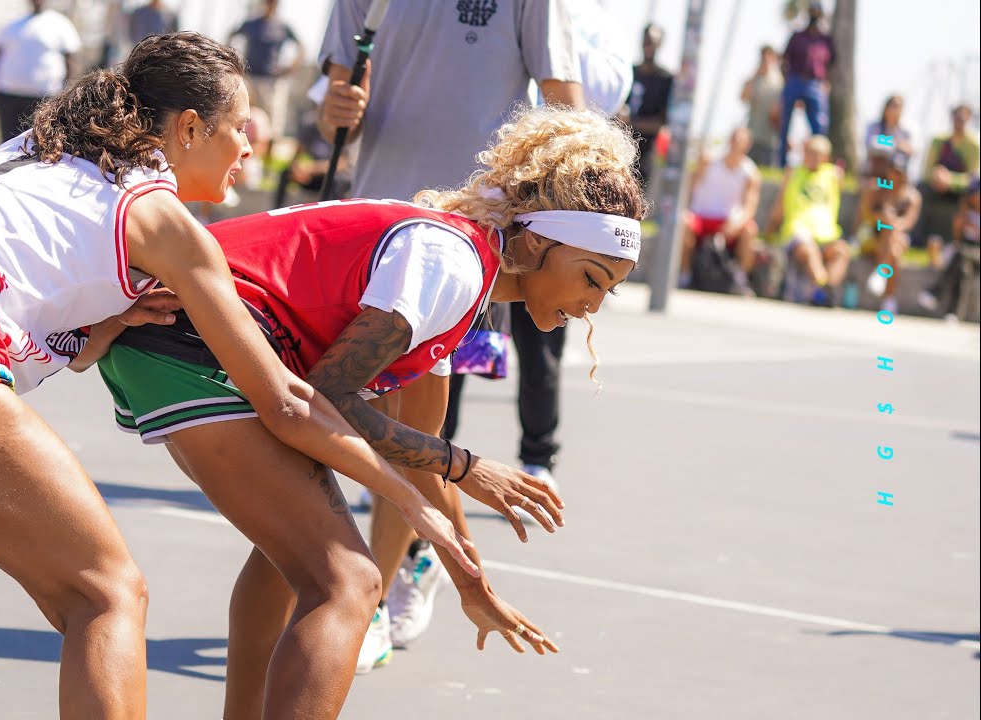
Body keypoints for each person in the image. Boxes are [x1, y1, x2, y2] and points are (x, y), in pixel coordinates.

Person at [0, 33, 474, 720]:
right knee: (105, 595)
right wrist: (430, 483)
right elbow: (282, 400)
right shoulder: (166, 224)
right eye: (239, 126)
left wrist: (102, 326)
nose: (250, 144)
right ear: (189, 129)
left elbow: (25, 292)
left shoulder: (38, 150)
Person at [94, 104, 641, 718]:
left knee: (289, 561)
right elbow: (328, 397)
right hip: (192, 341)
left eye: (608, 289)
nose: (592, 304)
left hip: (184, 340)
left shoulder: (464, 275)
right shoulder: (451, 265)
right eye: (591, 278)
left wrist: (470, 579)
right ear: (538, 240)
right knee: (348, 583)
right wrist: (466, 466)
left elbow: (418, 455)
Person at [316, 0, 586, 672]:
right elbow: (335, 101)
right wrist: (335, 113)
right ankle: (384, 577)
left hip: (473, 243)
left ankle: (373, 601)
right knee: (366, 433)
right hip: (373, 234)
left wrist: (581, 225)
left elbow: (565, 107)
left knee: (408, 436)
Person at [767, 134, 847, 306]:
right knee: (810, 252)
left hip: (826, 235)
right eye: (810, 152)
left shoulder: (832, 176)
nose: (814, 157)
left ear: (826, 158)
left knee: (841, 251)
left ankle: (827, 291)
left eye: (819, 154)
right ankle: (824, 289)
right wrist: (770, 230)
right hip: (798, 233)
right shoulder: (793, 173)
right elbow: (779, 206)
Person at [680, 127, 762, 294]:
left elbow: (749, 207)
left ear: (748, 145)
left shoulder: (751, 173)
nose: (736, 145)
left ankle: (741, 278)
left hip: (728, 222)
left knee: (750, 230)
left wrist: (736, 223)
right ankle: (685, 274)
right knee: (683, 223)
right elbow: (689, 188)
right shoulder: (708, 160)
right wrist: (685, 210)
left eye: (741, 141)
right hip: (701, 217)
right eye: (734, 140)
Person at [0, 0, 81, 142]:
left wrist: (68, 94)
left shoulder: (60, 24)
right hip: (9, 94)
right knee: (7, 141)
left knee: (36, 142)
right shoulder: (13, 25)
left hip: (43, 98)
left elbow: (71, 61)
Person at [856, 150, 920, 314]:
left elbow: (908, 222)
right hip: (871, 237)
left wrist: (891, 222)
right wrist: (882, 219)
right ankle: (889, 298)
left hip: (894, 237)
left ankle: (881, 274)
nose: (894, 174)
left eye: (899, 171)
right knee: (895, 250)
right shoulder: (877, 188)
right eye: (892, 169)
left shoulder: (911, 196)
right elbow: (866, 215)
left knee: (894, 243)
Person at [229, 0, 300, 146]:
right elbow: (232, 36)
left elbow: (300, 47)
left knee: (273, 121)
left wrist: (289, 68)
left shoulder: (282, 26)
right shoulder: (251, 23)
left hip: (271, 82)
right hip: (250, 77)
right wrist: (234, 61)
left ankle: (267, 156)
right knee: (243, 114)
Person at [777, 1, 834, 168]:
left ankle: (818, 163)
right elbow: (784, 61)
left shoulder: (826, 41)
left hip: (815, 84)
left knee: (819, 126)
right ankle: (782, 162)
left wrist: (825, 85)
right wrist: (788, 82)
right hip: (794, 80)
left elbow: (831, 66)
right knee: (785, 123)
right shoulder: (797, 36)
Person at [916, 105, 980, 252]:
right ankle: (918, 239)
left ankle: (955, 243)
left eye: (963, 119)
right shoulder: (938, 141)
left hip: (960, 190)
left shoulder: (974, 146)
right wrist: (937, 176)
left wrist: (950, 180)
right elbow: (926, 170)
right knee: (920, 190)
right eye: (957, 118)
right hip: (936, 185)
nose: (959, 122)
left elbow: (973, 178)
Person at [920, 178, 980, 322]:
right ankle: (953, 313)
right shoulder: (964, 215)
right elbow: (958, 240)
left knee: (960, 256)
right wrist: (959, 225)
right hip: (964, 254)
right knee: (962, 267)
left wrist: (975, 229)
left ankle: (935, 291)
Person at [625, 23, 673, 190]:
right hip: (619, 147)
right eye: (646, 41)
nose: (648, 47)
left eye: (653, 42)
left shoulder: (665, 79)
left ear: (660, 45)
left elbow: (661, 122)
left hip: (644, 154)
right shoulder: (629, 72)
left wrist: (631, 122)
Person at [741, 45, 783, 167]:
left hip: (771, 137)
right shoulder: (753, 79)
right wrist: (755, 76)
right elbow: (743, 98)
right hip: (752, 134)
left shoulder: (780, 80)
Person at [864, 94, 913, 173]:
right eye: (893, 107)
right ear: (886, 108)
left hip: (896, 176)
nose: (896, 111)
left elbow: (910, 152)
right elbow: (871, 143)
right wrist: (895, 145)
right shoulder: (874, 127)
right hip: (874, 174)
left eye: (899, 108)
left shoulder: (905, 132)